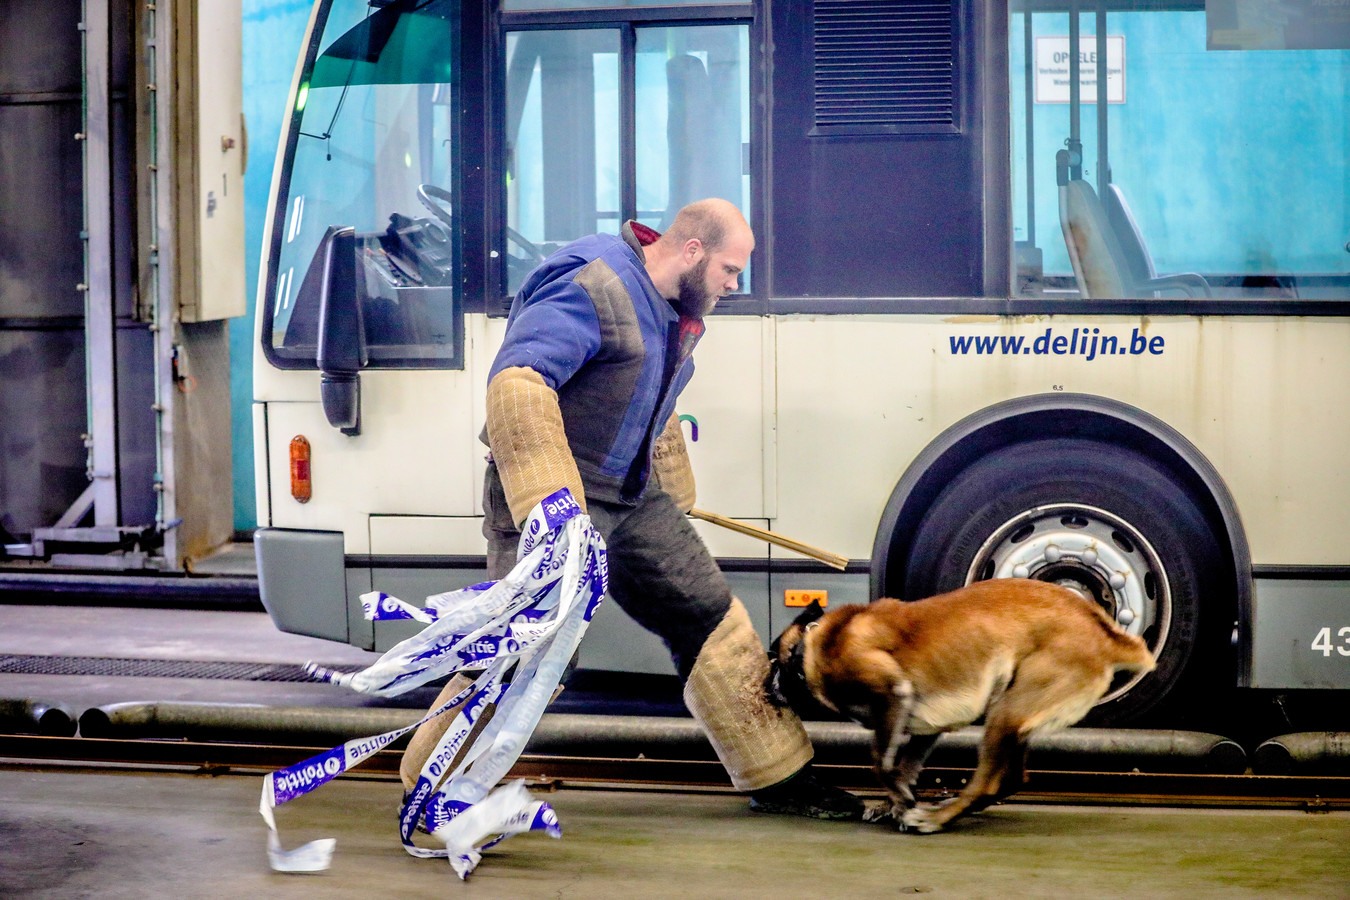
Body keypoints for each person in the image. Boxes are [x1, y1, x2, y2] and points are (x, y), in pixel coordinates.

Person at [400, 199, 863, 820]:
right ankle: (432, 795)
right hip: (563, 502)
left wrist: (671, 478)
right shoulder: (596, 283)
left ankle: (781, 778)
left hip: (632, 498)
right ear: (692, 251)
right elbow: (519, 380)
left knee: (710, 619)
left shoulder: (670, 302)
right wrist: (550, 509)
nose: (734, 285)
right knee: (523, 654)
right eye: (729, 269)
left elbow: (643, 389)